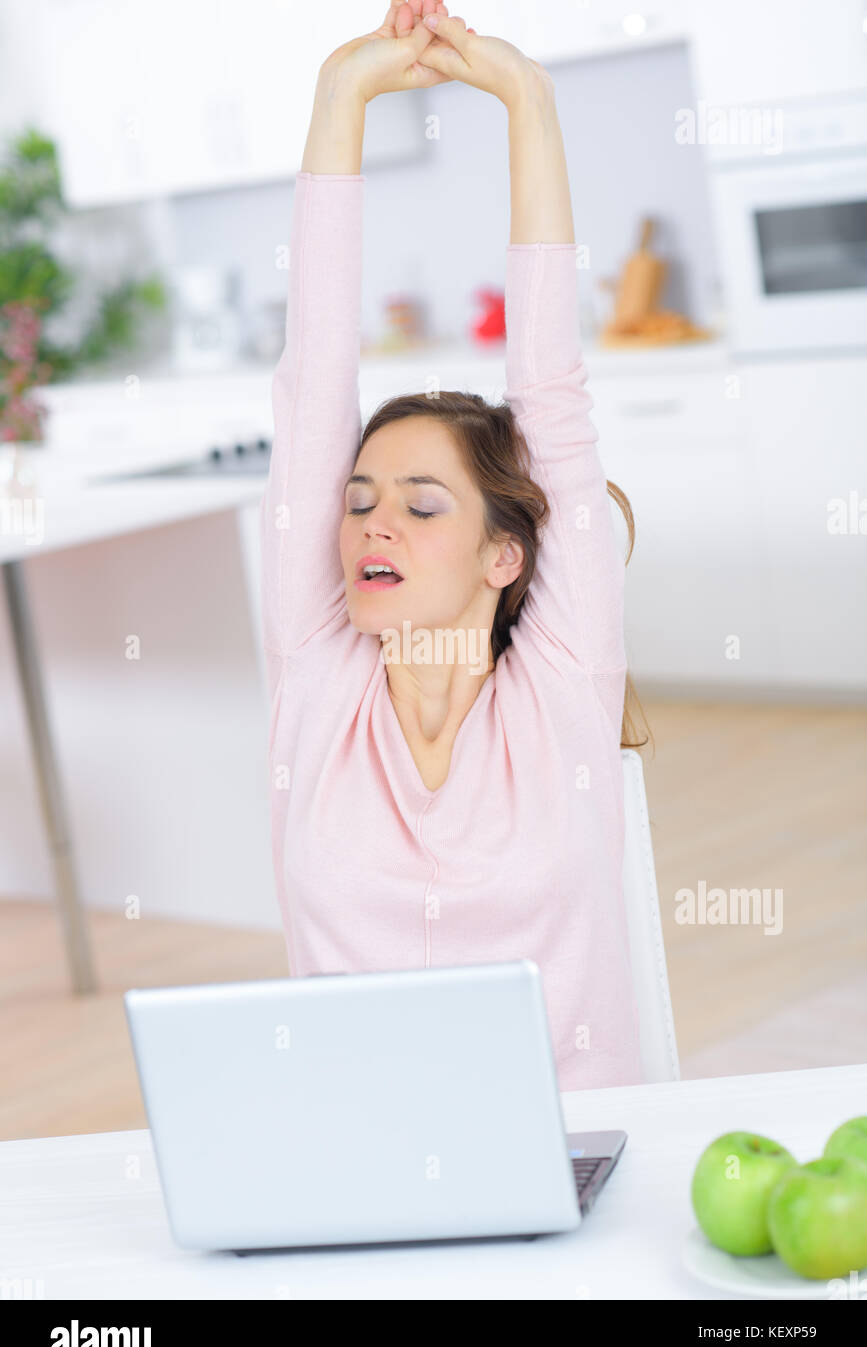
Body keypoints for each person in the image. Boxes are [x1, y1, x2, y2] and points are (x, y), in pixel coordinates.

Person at [259, 1, 649, 1091]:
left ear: (504, 557)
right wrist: (342, 99)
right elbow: (315, 381)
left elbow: (552, 387)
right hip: (359, 1167)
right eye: (360, 499)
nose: (373, 522)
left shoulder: (564, 680)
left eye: (423, 506)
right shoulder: (316, 673)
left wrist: (528, 97)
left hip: (583, 1165)